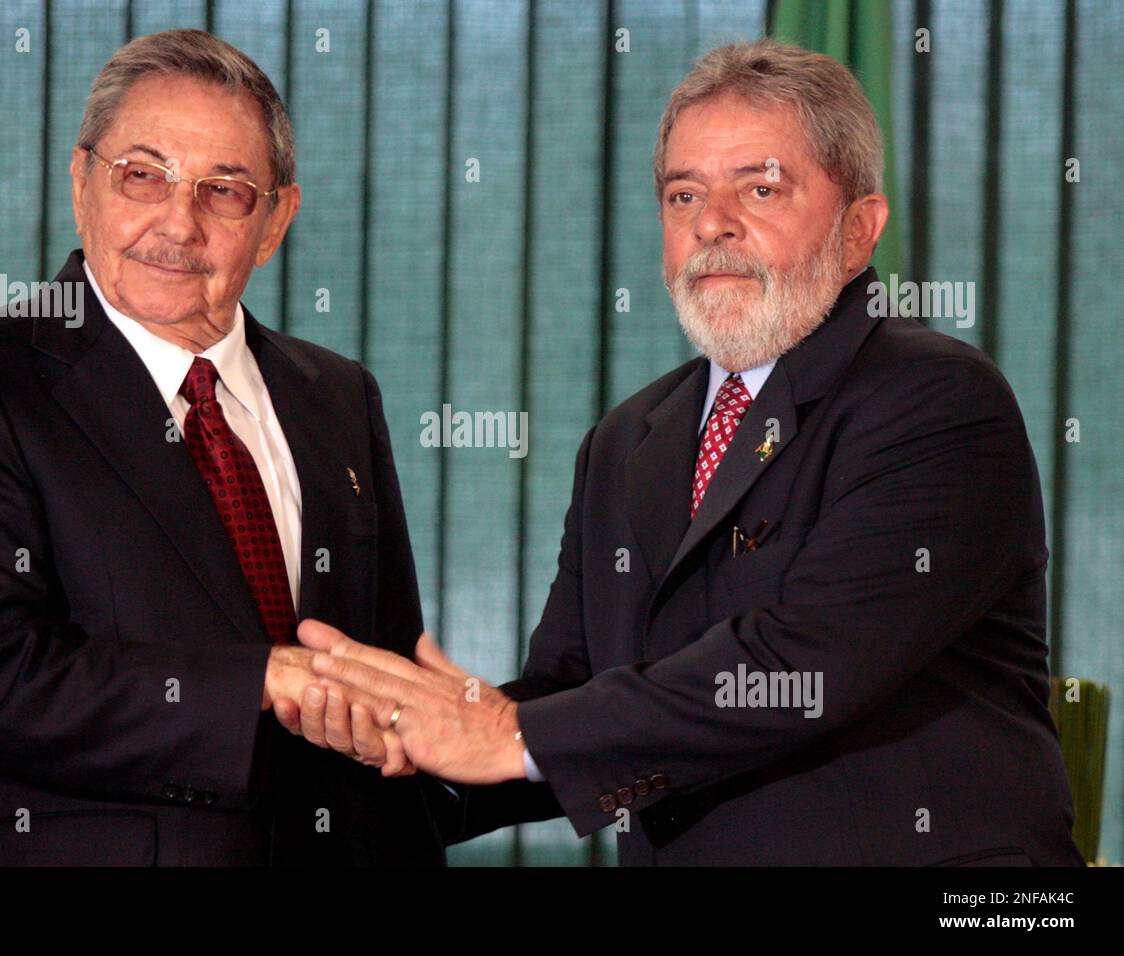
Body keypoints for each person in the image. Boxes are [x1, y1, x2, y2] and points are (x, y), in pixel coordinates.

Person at [281, 39, 1084, 866]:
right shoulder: (628, 440)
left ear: (859, 231)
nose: (711, 223)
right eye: (683, 193)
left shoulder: (939, 401)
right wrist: (412, 749)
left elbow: (800, 665)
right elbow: (575, 699)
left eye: (761, 188)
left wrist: (506, 731)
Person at [0, 28, 442, 866]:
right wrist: (266, 678)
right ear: (82, 183)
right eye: (143, 175)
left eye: (226, 189)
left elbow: (380, 675)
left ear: (276, 218)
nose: (179, 221)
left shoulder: (339, 395)